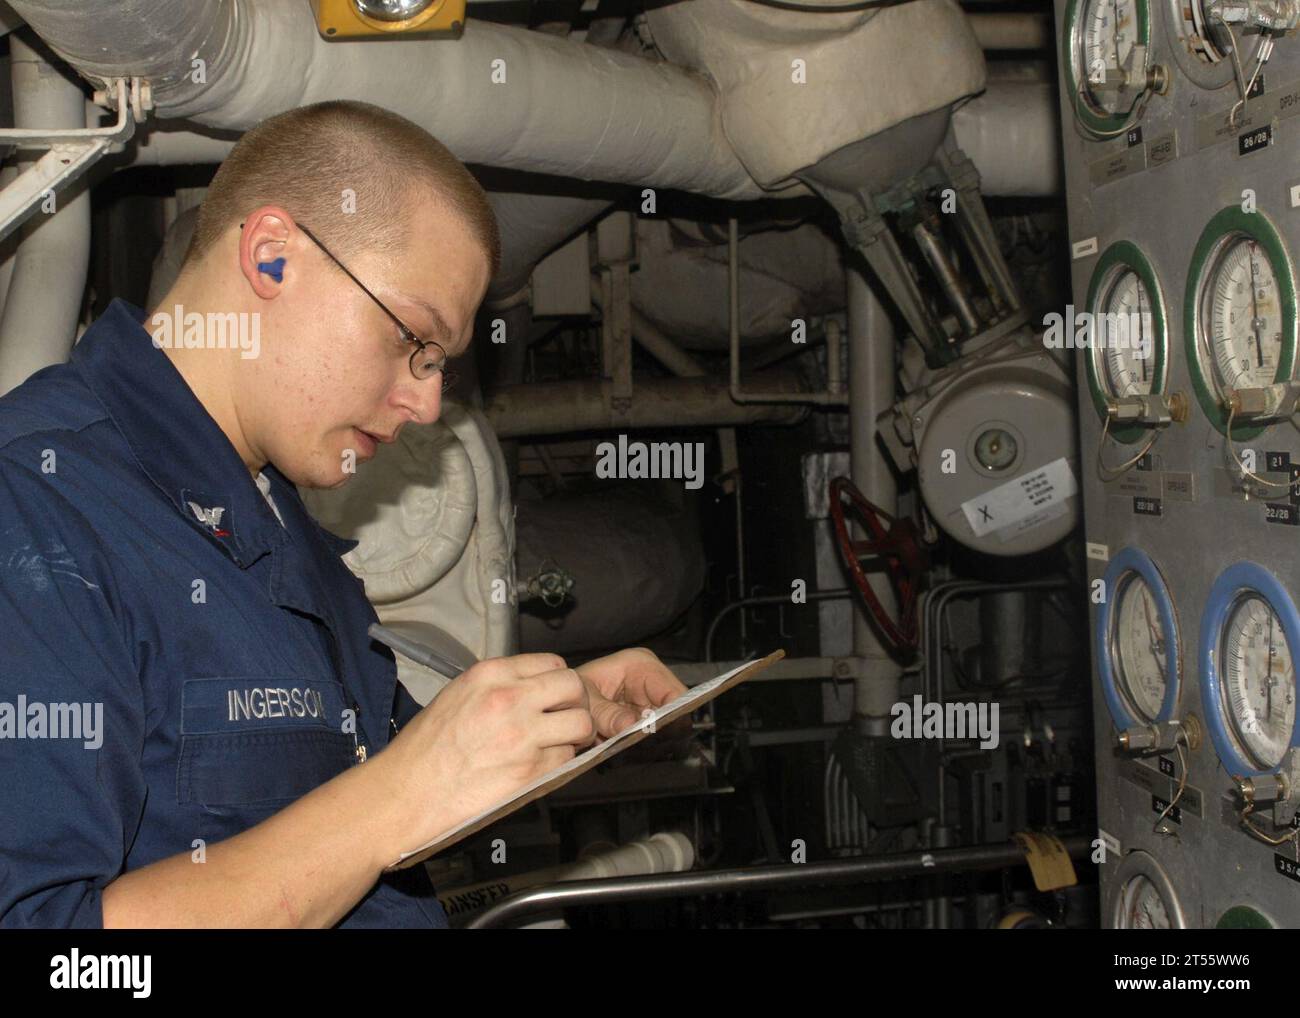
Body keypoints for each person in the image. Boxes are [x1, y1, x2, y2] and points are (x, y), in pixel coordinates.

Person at [0, 99, 687, 928]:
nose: (429, 403)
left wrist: (552, 723)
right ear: (273, 257)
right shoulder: (38, 503)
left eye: (440, 364)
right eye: (411, 340)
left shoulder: (276, 523)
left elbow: (351, 792)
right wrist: (403, 794)